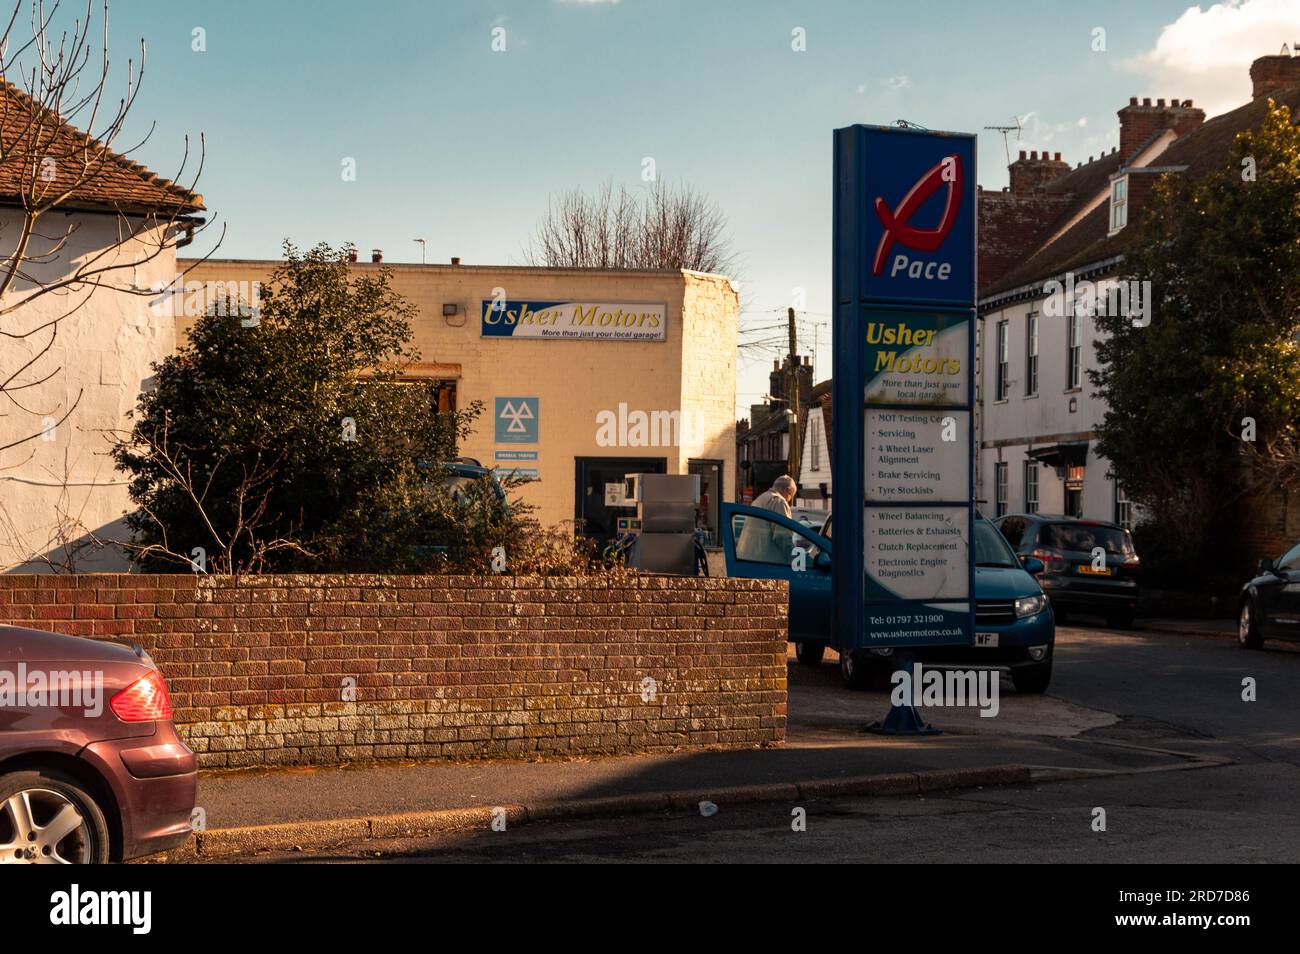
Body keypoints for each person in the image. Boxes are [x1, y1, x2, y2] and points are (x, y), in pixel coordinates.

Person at [736, 475, 798, 563]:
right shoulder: (779, 502)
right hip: (766, 563)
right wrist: (795, 559)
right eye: (790, 496)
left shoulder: (758, 500)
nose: (788, 500)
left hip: (746, 559)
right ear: (787, 490)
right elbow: (783, 536)